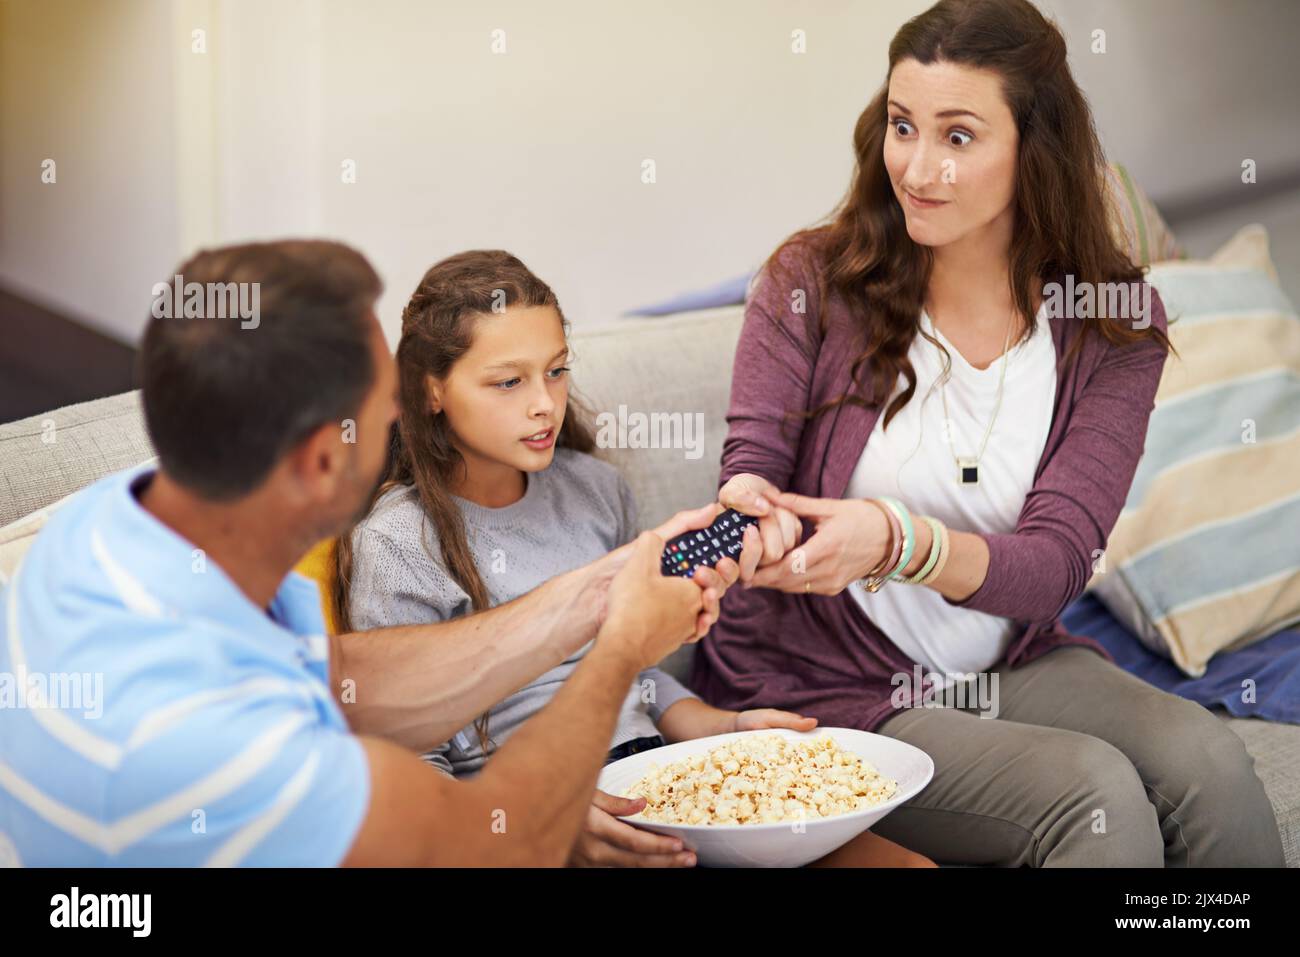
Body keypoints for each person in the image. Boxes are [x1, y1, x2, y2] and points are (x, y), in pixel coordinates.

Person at [691, 0, 1285, 866]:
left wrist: (897, 541)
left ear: (1032, 148)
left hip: (1009, 657)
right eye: (903, 126)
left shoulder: (1110, 324)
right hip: (822, 678)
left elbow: (1052, 567)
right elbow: (754, 464)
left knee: (1211, 759)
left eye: (958, 136)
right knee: (1093, 795)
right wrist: (751, 510)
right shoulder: (810, 278)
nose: (918, 168)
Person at [0, 239, 739, 866]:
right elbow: (495, 846)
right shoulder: (237, 757)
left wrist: (606, 590)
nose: (399, 415)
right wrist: (617, 657)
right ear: (326, 460)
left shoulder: (102, 527)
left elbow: (344, 679)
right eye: (384, 399)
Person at [337, 248, 934, 867]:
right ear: (431, 390)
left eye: (557, 371)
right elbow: (403, 768)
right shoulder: (398, 544)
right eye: (509, 381)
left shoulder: (594, 489)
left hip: (655, 778)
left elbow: (638, 672)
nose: (544, 402)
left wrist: (722, 728)